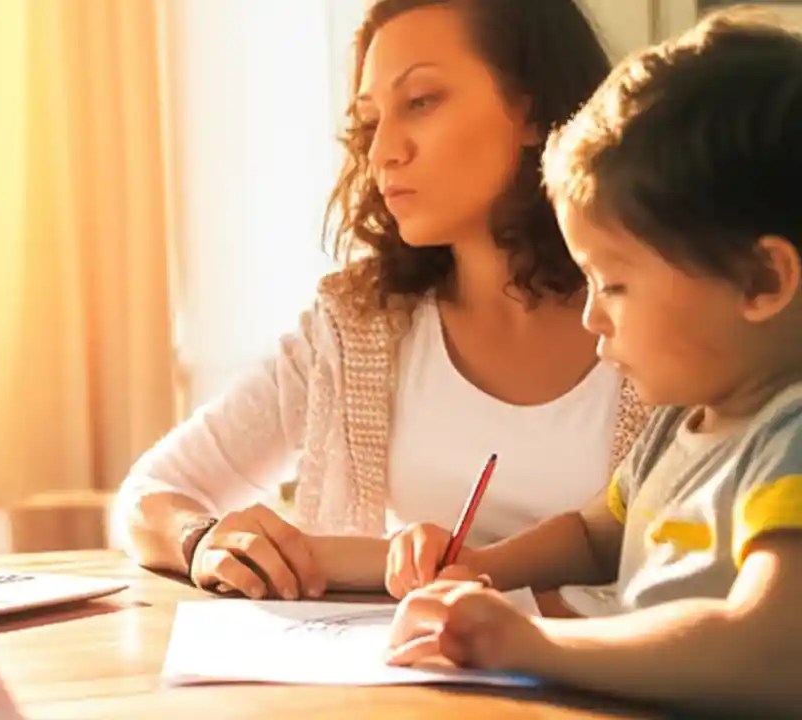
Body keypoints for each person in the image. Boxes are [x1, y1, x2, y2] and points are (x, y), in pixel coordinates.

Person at [114, 0, 650, 603]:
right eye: (372, 121)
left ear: (533, 108)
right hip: (403, 683)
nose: (382, 153)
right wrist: (203, 541)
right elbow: (149, 493)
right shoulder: (355, 327)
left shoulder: (661, 312)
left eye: (420, 102)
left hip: (613, 687)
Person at [382, 10, 802, 714]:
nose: (591, 315)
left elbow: (771, 649)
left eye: (615, 284)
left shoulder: (786, 442)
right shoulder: (684, 424)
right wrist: (478, 567)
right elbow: (591, 535)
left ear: (761, 282)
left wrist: (531, 645)